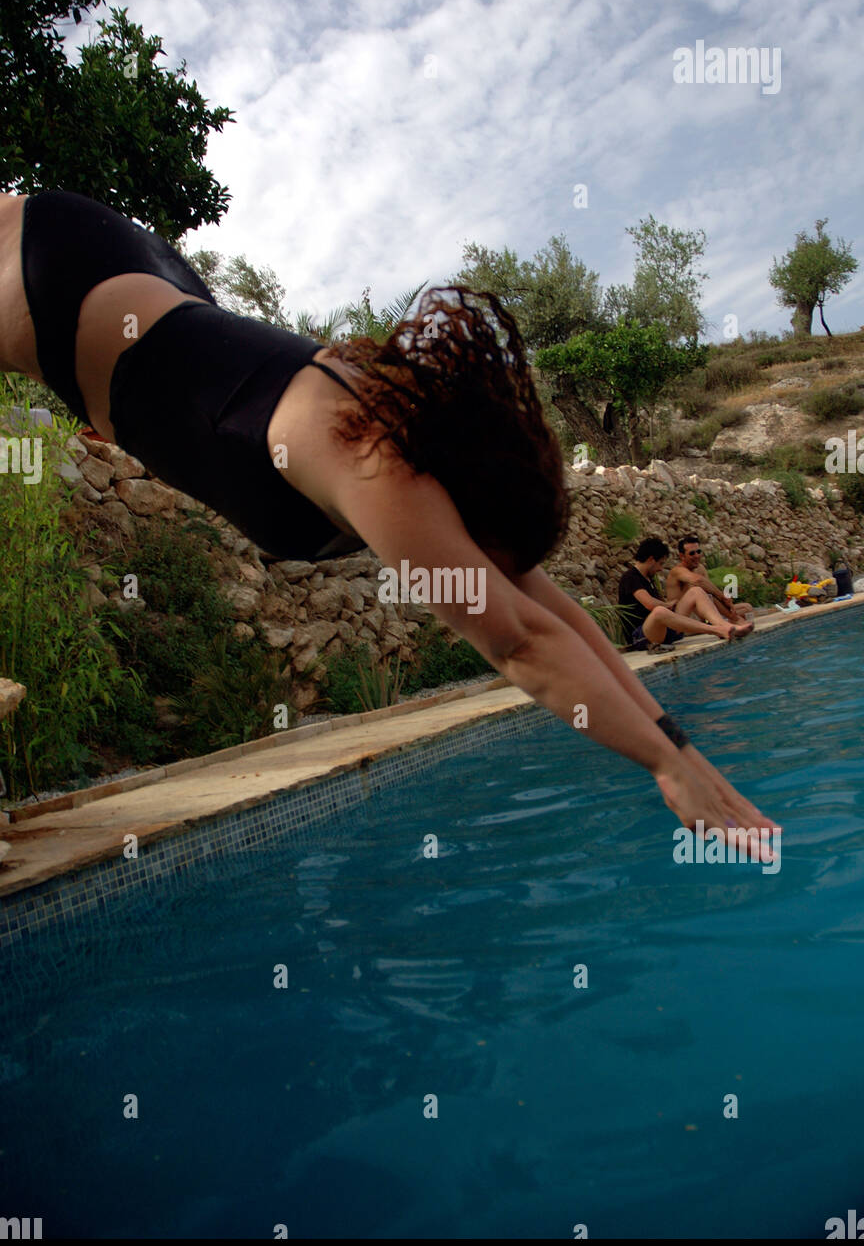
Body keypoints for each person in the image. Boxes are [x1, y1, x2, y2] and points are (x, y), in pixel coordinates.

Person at [0, 187, 777, 858]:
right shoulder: (375, 459)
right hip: (63, 288)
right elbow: (518, 639)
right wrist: (668, 771)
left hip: (138, 278)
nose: (484, 569)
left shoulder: (434, 463)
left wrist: (677, 744)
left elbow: (554, 612)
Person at [618, 538, 754, 651]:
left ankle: (725, 626)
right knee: (659, 611)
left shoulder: (649, 578)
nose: (660, 569)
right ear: (651, 559)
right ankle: (717, 630)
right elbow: (649, 604)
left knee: (696, 591)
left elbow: (698, 583)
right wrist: (667, 604)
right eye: (660, 564)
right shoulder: (631, 577)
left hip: (666, 632)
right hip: (642, 637)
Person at [666, 535, 754, 622]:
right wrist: (722, 597)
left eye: (698, 552)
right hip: (685, 616)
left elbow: (711, 593)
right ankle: (731, 619)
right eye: (692, 553)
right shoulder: (677, 571)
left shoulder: (700, 568)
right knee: (699, 591)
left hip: (704, 612)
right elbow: (698, 581)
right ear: (682, 556)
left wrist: (727, 602)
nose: (696, 556)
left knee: (747, 608)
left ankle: (729, 618)